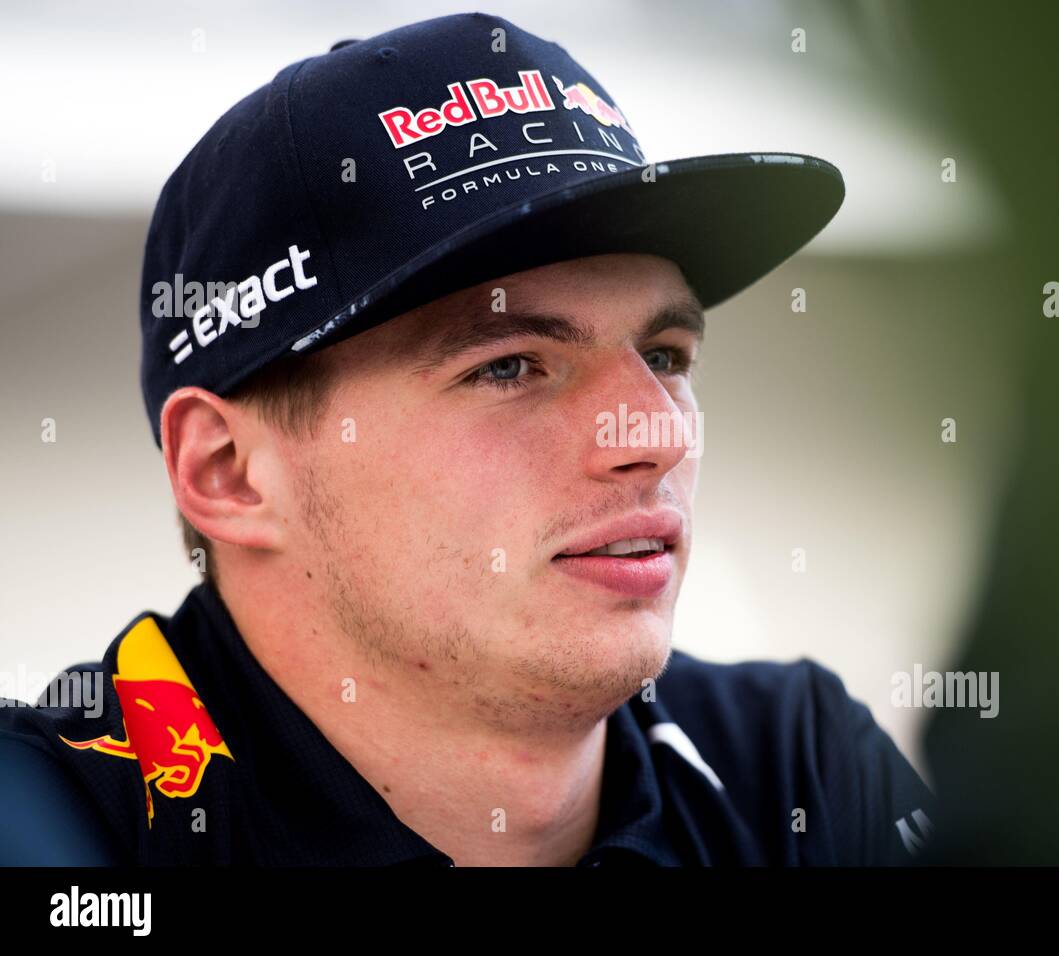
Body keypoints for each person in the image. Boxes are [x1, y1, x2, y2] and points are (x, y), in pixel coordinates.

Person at [0, 12, 936, 866]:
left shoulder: (794, 769)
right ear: (230, 471)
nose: (650, 433)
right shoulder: (49, 823)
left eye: (665, 352)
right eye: (509, 366)